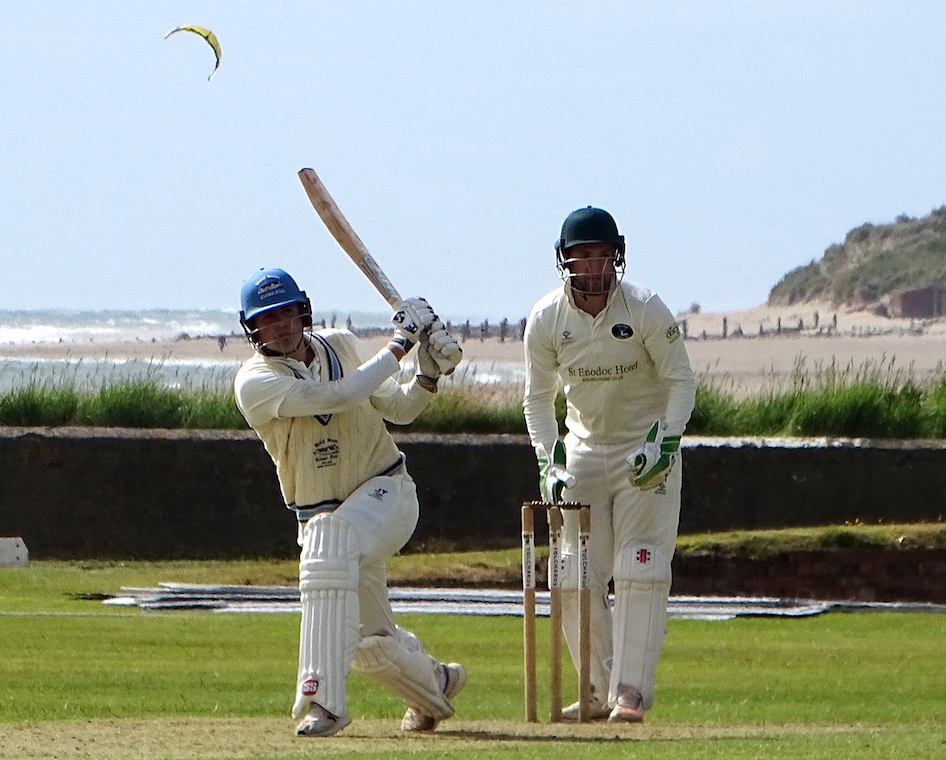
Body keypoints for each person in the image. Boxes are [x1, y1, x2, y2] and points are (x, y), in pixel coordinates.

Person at [234, 267, 466, 737]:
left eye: (285, 313)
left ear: (303, 311)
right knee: (372, 645)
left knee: (329, 541)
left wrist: (427, 372)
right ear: (251, 328)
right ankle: (435, 683)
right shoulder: (255, 382)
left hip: (388, 493)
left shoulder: (340, 344)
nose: (279, 326)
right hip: (324, 517)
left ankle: (324, 702)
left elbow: (398, 409)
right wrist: (401, 345)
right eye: (267, 319)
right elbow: (341, 395)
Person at [522, 207, 696, 724]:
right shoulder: (546, 318)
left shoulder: (644, 307)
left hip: (643, 450)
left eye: (601, 255)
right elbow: (536, 400)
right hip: (583, 453)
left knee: (639, 565)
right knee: (573, 572)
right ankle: (595, 688)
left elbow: (680, 382)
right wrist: (548, 463)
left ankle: (631, 692)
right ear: (565, 259)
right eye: (582, 255)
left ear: (615, 255)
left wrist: (664, 444)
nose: (592, 266)